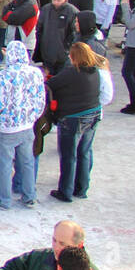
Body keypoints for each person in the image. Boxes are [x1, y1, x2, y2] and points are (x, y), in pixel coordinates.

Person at [0, 41, 46, 210]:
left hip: (8, 127)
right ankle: (29, 196)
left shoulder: (3, 76)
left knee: (5, 163)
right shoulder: (36, 73)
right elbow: (40, 100)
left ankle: (4, 199)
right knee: (27, 161)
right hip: (28, 124)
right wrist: (32, 117)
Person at [47, 42, 102, 203]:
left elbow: (52, 84)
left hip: (73, 119)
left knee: (68, 155)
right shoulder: (95, 71)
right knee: (84, 152)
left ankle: (65, 191)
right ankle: (81, 188)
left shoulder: (72, 72)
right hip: (93, 114)